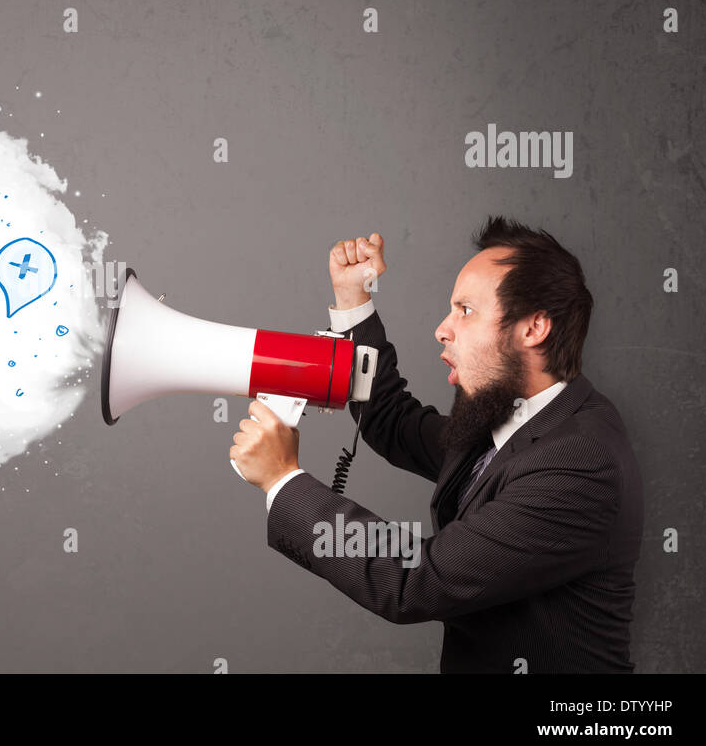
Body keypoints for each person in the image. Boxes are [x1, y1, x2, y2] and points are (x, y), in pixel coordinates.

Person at [229, 216, 643, 672]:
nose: (442, 329)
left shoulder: (579, 461)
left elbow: (419, 582)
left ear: (533, 328)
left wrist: (284, 481)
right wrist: (353, 297)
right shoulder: (513, 420)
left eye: (465, 310)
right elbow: (392, 421)